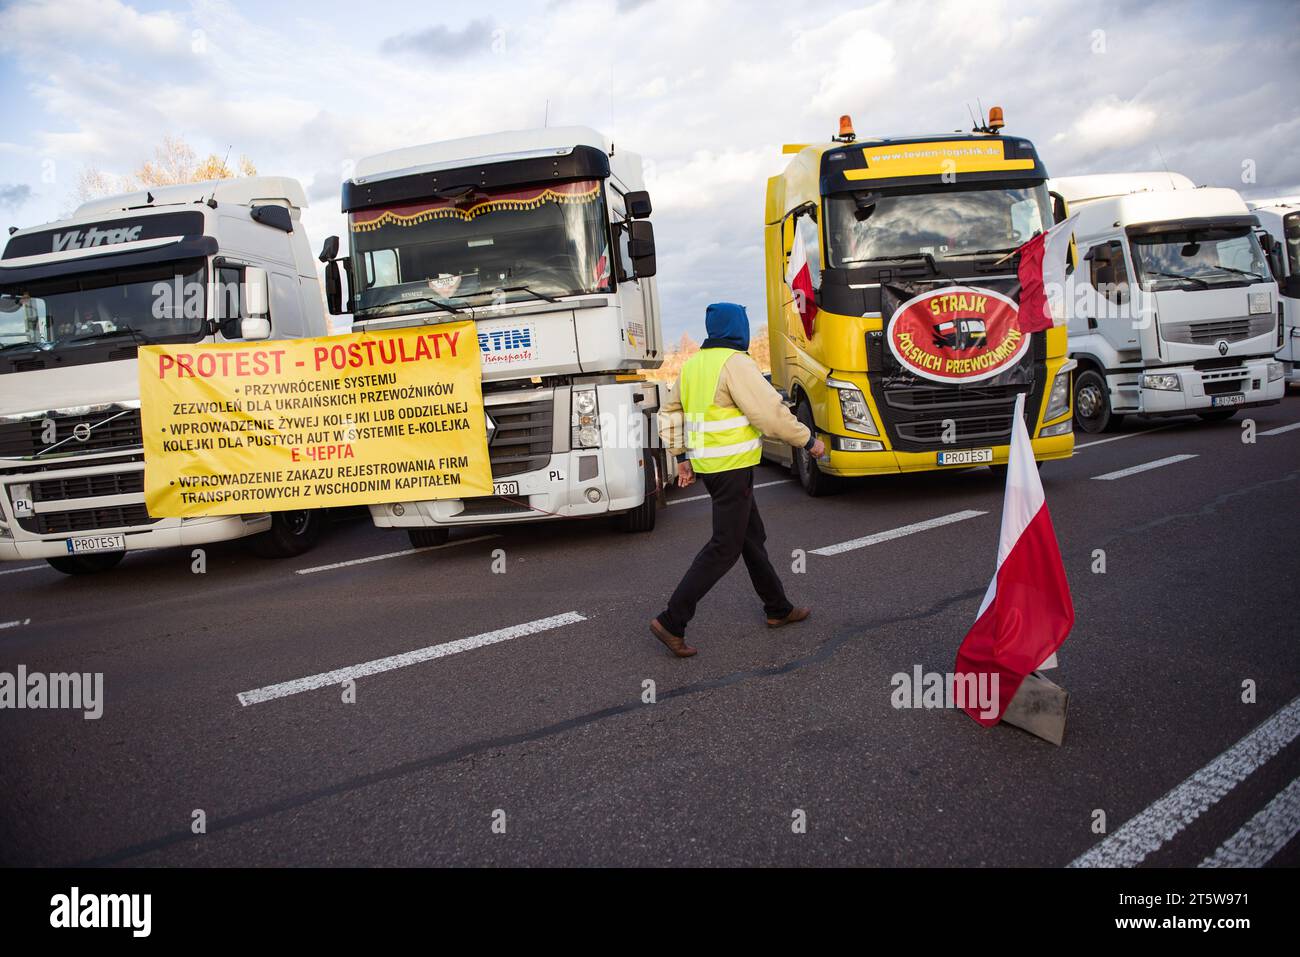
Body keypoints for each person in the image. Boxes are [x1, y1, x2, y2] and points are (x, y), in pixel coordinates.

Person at [651, 302, 826, 658]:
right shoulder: (736, 363)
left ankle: (777, 608)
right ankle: (672, 621)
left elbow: (670, 412)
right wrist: (808, 441)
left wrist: (681, 457)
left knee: (751, 538)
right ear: (737, 328)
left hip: (712, 469)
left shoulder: (693, 366)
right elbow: (769, 414)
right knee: (725, 547)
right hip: (732, 468)